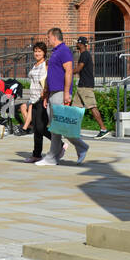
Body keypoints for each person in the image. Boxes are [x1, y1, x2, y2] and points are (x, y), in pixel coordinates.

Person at [36, 27, 88, 167]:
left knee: (57, 126)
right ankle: (81, 147)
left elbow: (69, 71)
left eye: (48, 37)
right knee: (57, 126)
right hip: (53, 92)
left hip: (60, 92)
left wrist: (66, 93)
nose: (47, 40)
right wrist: (46, 93)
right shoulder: (55, 52)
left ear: (54, 37)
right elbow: (51, 75)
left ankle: (52, 157)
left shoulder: (64, 51)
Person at [72, 36, 110, 137]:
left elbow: (79, 68)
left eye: (77, 43)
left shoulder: (85, 54)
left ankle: (103, 129)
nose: (76, 45)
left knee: (92, 107)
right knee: (75, 108)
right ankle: (73, 130)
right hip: (81, 85)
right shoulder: (84, 54)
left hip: (86, 86)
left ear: (81, 44)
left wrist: (66, 72)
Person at [25, 41, 52, 162]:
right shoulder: (34, 65)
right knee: (37, 128)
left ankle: (60, 145)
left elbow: (48, 79)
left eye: (39, 51)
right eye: (35, 51)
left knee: (41, 127)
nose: (37, 53)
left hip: (42, 99)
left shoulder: (46, 64)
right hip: (34, 99)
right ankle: (36, 154)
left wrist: (45, 93)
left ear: (44, 53)